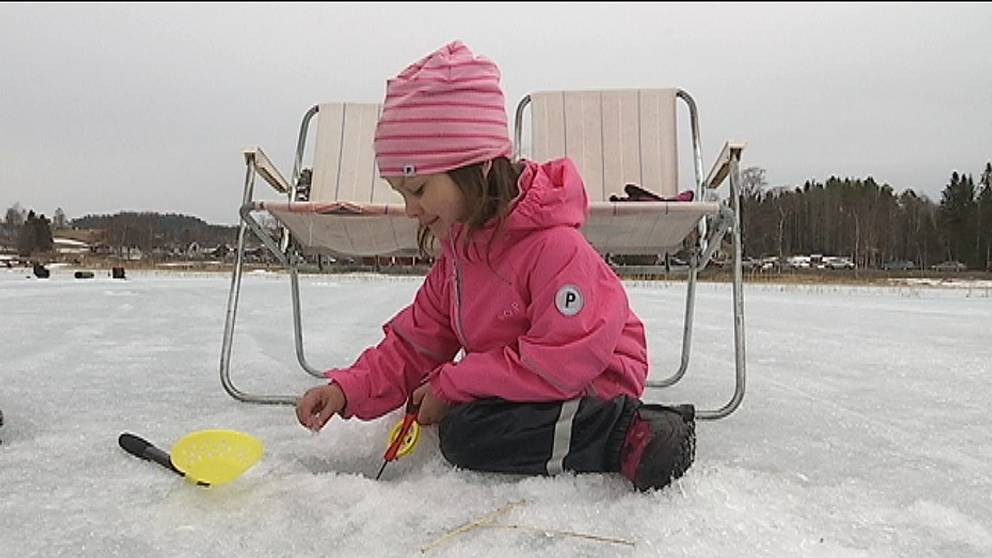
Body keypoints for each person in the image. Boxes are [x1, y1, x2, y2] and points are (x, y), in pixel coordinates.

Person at [295, 40, 695, 491]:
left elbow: (563, 361)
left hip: (590, 383)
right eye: (401, 193)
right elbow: (416, 342)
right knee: (463, 423)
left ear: (476, 166)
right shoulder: (460, 258)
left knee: (468, 436)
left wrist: (453, 385)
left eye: (420, 190)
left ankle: (628, 433)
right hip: (526, 381)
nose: (410, 209)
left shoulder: (553, 248)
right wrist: (347, 389)